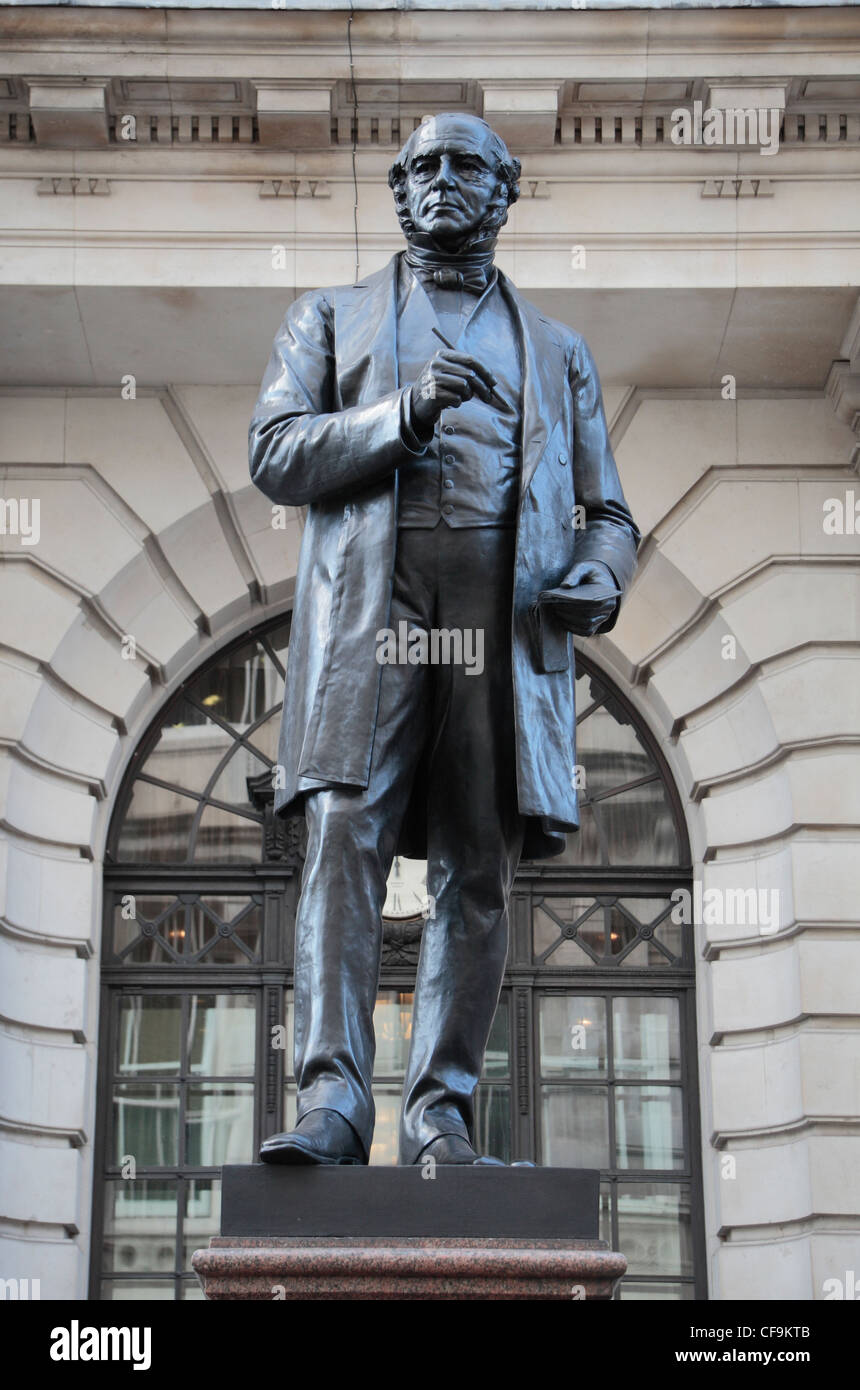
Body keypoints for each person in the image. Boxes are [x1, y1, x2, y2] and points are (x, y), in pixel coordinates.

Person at [248, 112, 639, 1166]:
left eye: (465, 166)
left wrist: (596, 575)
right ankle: (332, 1100)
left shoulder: (556, 352)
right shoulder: (329, 316)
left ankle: (439, 1113)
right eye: (420, 166)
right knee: (340, 833)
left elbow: (607, 512)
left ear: (503, 192)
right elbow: (277, 452)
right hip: (373, 623)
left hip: (497, 631)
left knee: (479, 862)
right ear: (397, 188)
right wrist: (403, 415)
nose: (439, 182)